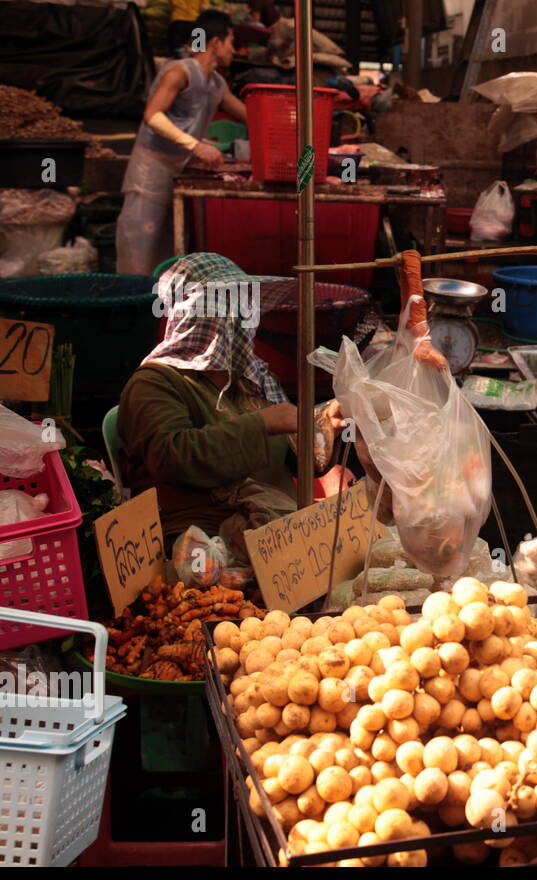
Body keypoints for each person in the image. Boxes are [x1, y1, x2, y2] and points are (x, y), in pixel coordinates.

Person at [117, 254, 336, 560]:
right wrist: (262, 424)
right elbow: (172, 456)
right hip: (198, 541)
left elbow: (296, 459)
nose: (236, 321)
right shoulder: (155, 384)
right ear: (191, 317)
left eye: (242, 309)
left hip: (274, 526)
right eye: (223, 308)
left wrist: (325, 424)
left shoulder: (253, 380)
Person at [117, 9, 247, 277]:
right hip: (150, 170)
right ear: (216, 43)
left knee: (169, 249)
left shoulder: (216, 84)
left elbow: (249, 115)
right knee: (140, 248)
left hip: (179, 171)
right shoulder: (179, 72)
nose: (234, 51)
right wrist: (196, 145)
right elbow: (152, 115)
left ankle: (163, 315)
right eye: (231, 42)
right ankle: (133, 310)